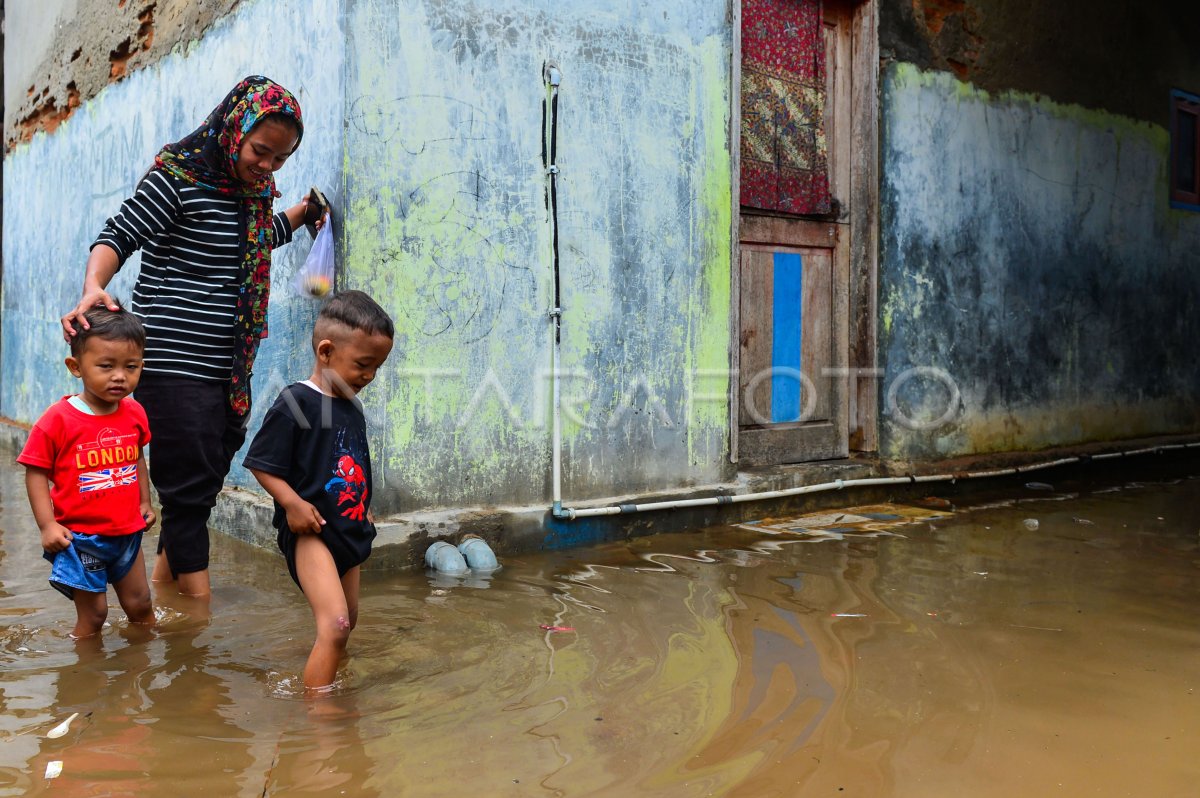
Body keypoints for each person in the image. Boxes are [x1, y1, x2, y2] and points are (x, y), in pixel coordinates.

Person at [59, 76, 328, 599]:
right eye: (260, 151)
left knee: (199, 491)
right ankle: (197, 626)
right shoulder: (176, 179)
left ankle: (165, 598)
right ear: (234, 130)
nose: (267, 166)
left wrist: (300, 214)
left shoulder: (249, 196)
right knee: (186, 497)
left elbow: (254, 240)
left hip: (228, 372)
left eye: (281, 158)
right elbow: (120, 234)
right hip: (172, 366)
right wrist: (94, 284)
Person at [242, 291, 394, 691]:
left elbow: (353, 462)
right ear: (326, 351)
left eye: (377, 367)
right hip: (311, 531)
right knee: (337, 624)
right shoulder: (296, 401)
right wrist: (291, 503)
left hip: (350, 527)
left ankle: (330, 679)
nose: (369, 376)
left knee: (350, 620)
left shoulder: (352, 407)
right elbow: (260, 462)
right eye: (363, 365)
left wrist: (366, 505)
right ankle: (319, 717)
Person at [18, 304, 156, 640]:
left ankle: (142, 673)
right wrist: (47, 525)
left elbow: (136, 457)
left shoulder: (134, 412)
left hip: (126, 534)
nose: (120, 376)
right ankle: (82, 679)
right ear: (75, 367)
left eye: (131, 367)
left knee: (140, 605)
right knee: (95, 616)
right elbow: (35, 471)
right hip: (81, 539)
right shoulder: (58, 419)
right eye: (106, 366)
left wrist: (145, 502)